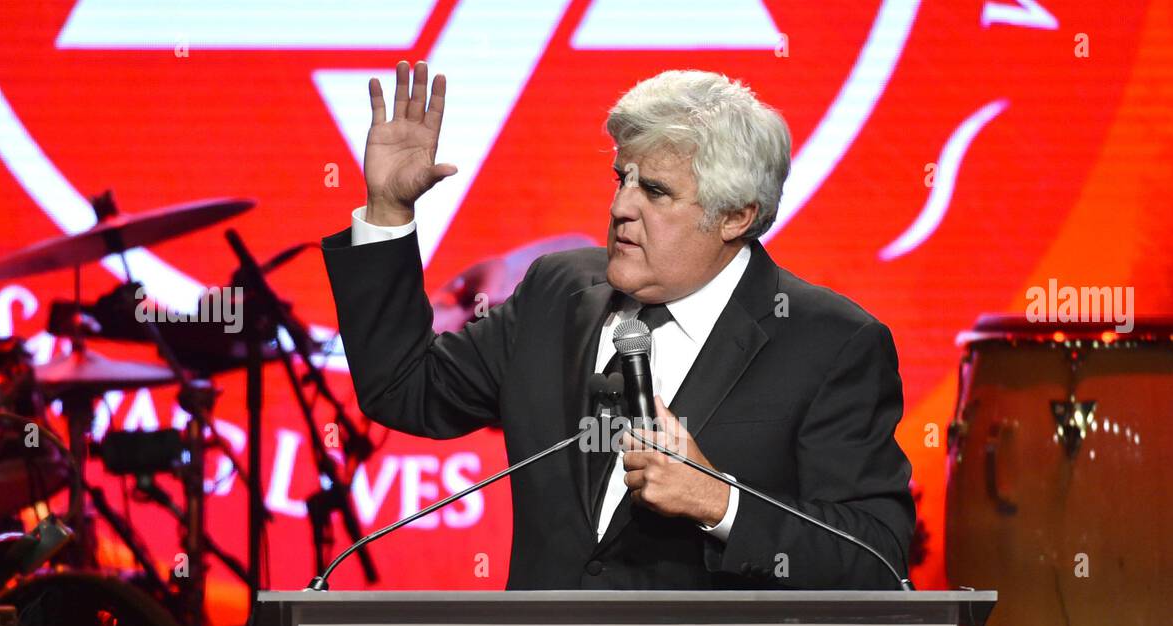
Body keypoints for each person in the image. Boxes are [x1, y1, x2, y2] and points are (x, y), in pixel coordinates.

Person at [322, 62, 914, 590]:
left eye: (654, 190)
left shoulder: (829, 342)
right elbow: (405, 388)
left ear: (736, 216)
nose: (621, 207)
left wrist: (719, 501)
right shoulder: (558, 294)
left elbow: (877, 557)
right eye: (621, 178)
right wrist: (388, 213)